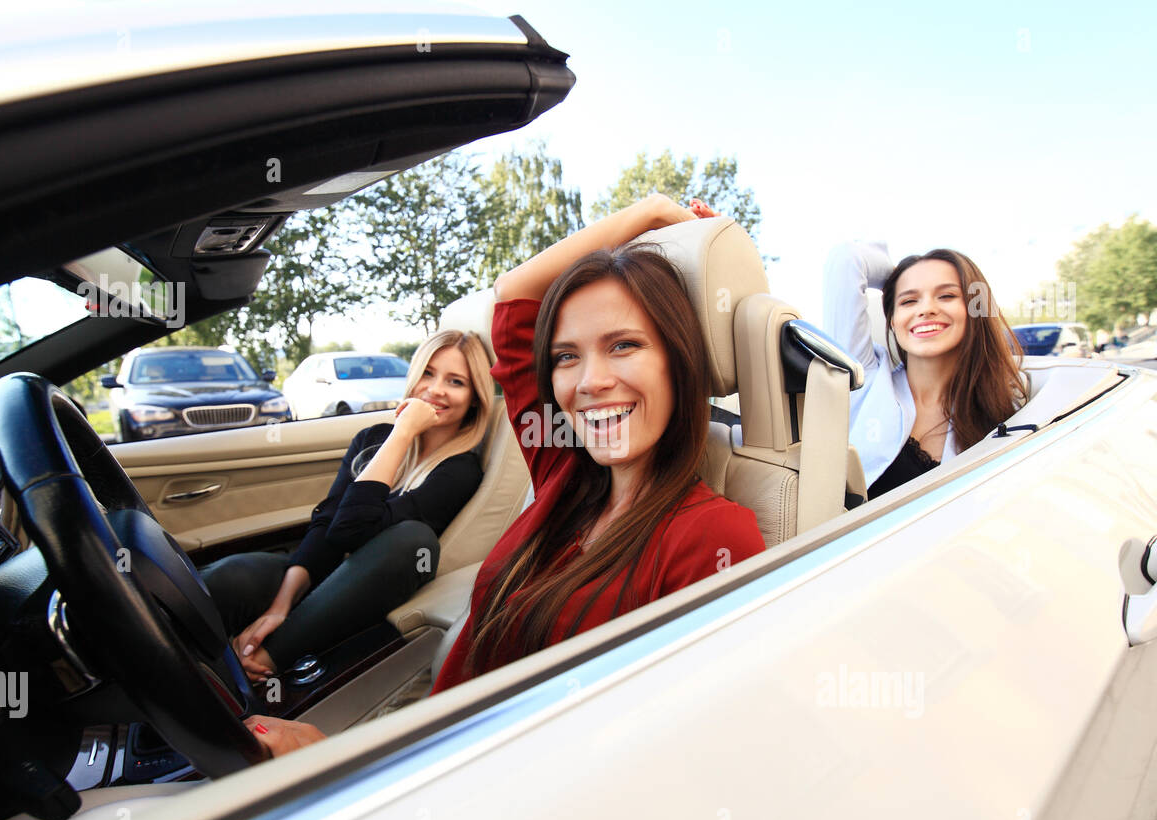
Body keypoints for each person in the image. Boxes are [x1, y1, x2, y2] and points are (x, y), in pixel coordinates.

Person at [245, 194, 767, 756]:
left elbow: (651, 764)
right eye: (567, 356)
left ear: (681, 359)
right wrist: (650, 212)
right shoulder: (565, 472)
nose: (589, 382)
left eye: (624, 345)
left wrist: (342, 771)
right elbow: (515, 297)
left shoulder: (714, 539)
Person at [201, 329, 493, 679]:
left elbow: (352, 530)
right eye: (428, 373)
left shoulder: (460, 471)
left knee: (412, 537)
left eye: (456, 381)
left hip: (367, 591)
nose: (435, 389)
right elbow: (327, 523)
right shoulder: (372, 439)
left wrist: (402, 432)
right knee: (231, 578)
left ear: (474, 398)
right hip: (327, 571)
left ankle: (264, 661)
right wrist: (281, 605)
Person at [822, 241, 1026, 500]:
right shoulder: (863, 375)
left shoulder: (1005, 404)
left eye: (947, 296)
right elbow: (846, 259)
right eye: (909, 301)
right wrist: (898, 273)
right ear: (893, 321)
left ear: (975, 310)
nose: (926, 309)